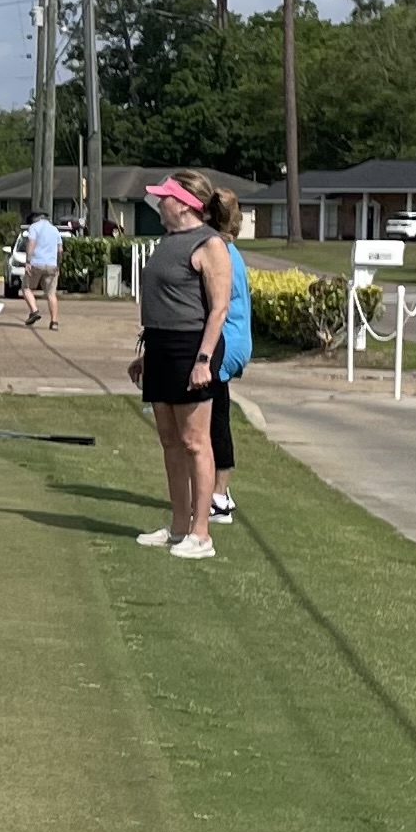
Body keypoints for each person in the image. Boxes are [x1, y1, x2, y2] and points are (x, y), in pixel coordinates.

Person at [126, 170, 237, 560]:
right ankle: (178, 527)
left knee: (194, 442)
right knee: (170, 442)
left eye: (165, 197)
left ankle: (201, 534)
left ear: (185, 202)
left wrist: (203, 360)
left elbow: (219, 309)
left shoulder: (210, 245)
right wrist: (147, 355)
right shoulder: (168, 241)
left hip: (193, 349)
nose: (159, 204)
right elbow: (166, 303)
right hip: (160, 347)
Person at [210, 228, 253, 526]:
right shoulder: (228, 250)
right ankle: (218, 493)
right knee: (216, 417)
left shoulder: (221, 252)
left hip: (225, 342)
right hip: (230, 340)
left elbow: (217, 304)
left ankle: (219, 497)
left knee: (214, 421)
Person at [15, 210, 63, 330]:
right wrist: (58, 264)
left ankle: (34, 311)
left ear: (36, 218)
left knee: (26, 288)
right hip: (51, 265)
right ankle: (54, 322)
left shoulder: (34, 227)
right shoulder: (55, 230)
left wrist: (28, 261)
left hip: (36, 263)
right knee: (51, 294)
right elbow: (60, 249)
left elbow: (31, 243)